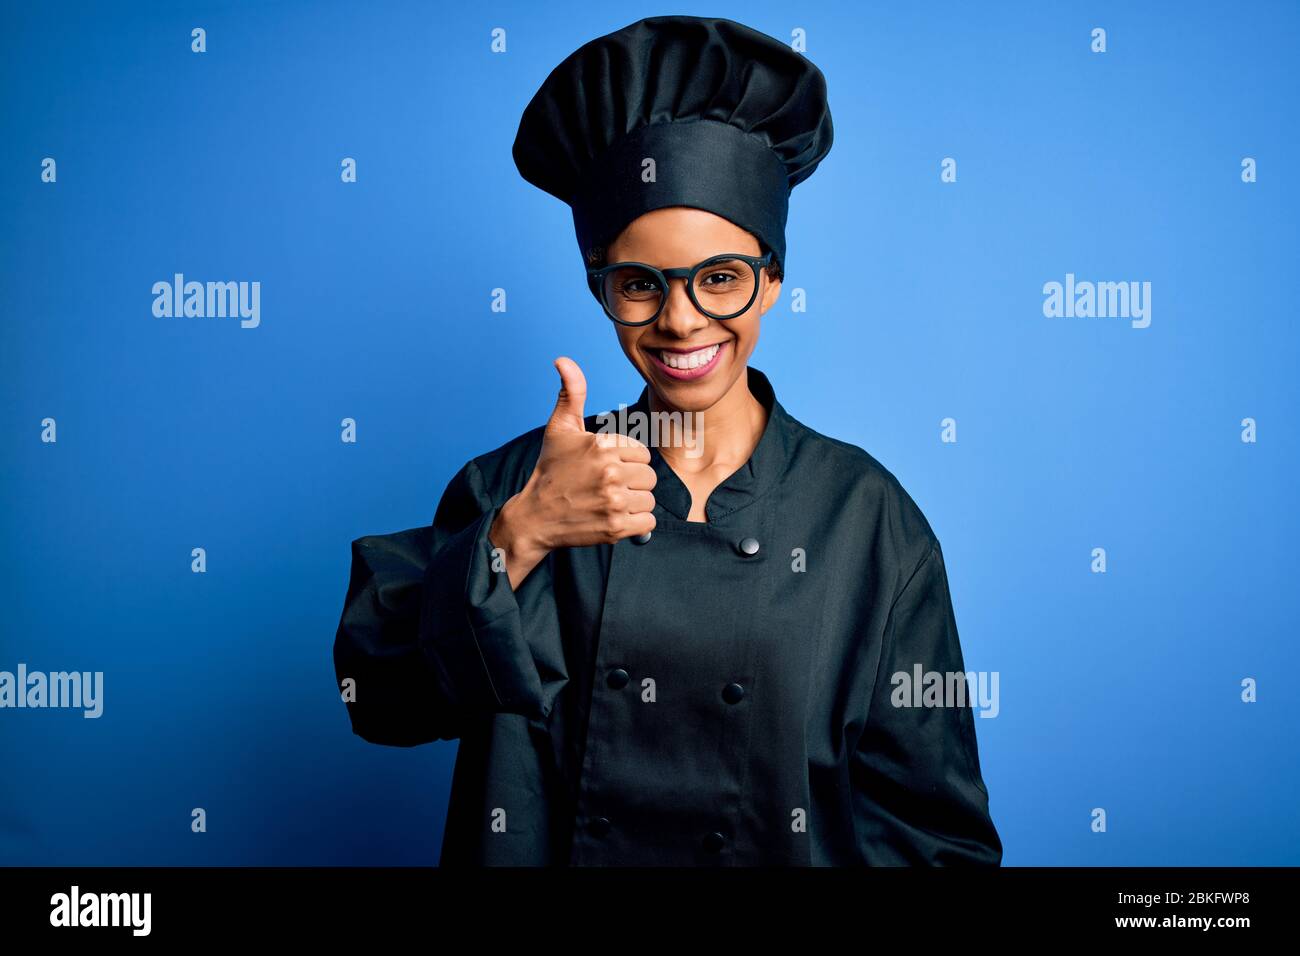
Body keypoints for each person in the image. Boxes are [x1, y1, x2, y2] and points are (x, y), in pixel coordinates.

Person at [333, 14, 1002, 866]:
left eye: (719, 278)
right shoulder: (512, 484)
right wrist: (521, 533)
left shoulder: (866, 519)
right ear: (599, 287)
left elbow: (932, 832)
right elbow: (381, 702)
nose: (681, 319)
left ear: (773, 281)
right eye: (640, 284)